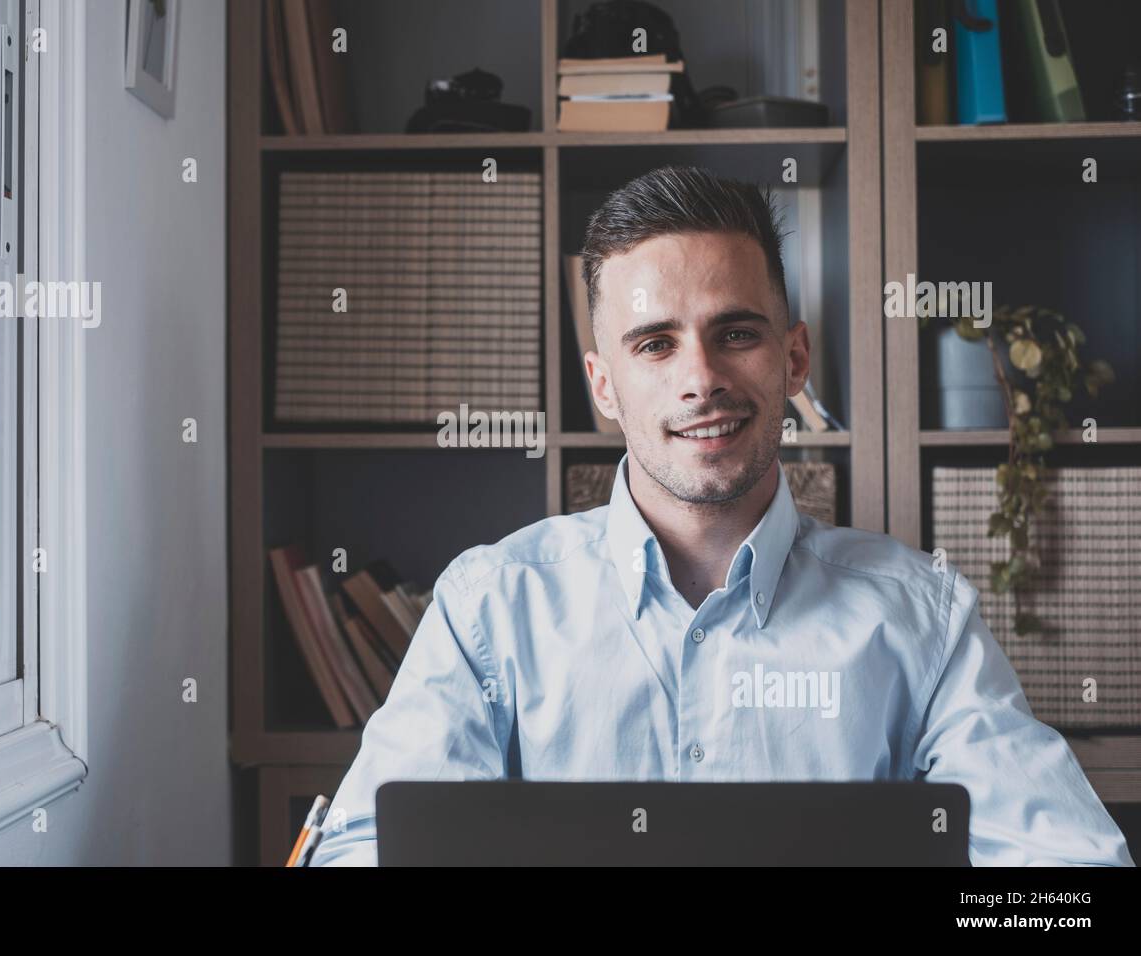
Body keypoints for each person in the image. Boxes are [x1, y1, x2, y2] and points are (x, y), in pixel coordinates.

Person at [310, 165, 1134, 867]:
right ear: (604, 386)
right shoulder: (488, 607)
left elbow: (1067, 885)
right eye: (655, 344)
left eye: (735, 332)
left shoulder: (925, 618)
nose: (700, 378)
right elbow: (360, 850)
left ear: (794, 358)